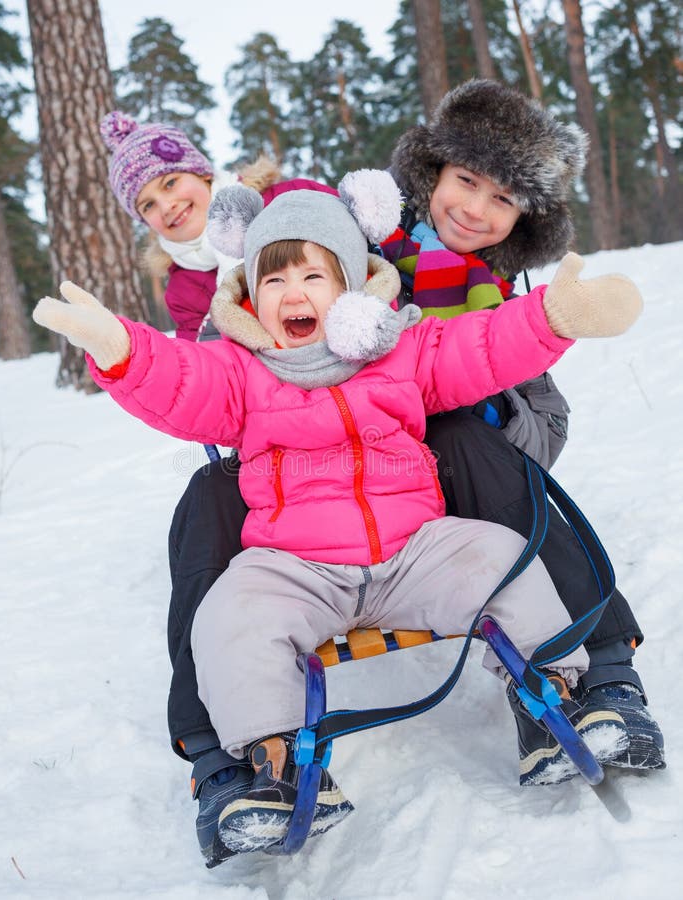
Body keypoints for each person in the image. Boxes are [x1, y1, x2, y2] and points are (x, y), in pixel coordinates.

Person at [32, 170, 644, 858]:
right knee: (233, 617)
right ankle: (274, 765)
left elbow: (480, 346)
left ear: (352, 289)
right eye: (274, 281)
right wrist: (118, 348)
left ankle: (553, 698)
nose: (293, 294)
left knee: (503, 561)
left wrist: (553, 317)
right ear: (251, 298)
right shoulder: (241, 371)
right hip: (297, 564)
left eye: (313, 278)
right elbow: (179, 380)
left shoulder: (399, 351)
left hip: (414, 549)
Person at [164, 80, 665, 867]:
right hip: (315, 468)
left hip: (451, 477)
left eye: (501, 198)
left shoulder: (504, 291)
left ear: (522, 222)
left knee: (468, 441)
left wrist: (483, 418)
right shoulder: (364, 250)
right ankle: (230, 758)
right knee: (211, 497)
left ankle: (592, 677)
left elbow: (528, 393)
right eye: (465, 181)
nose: (473, 208)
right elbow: (279, 256)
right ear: (430, 176)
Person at [99, 110, 336, 342]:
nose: (166, 206)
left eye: (170, 183)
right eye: (148, 205)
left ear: (202, 174)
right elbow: (204, 368)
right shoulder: (183, 292)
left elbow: (368, 247)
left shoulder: (291, 199)